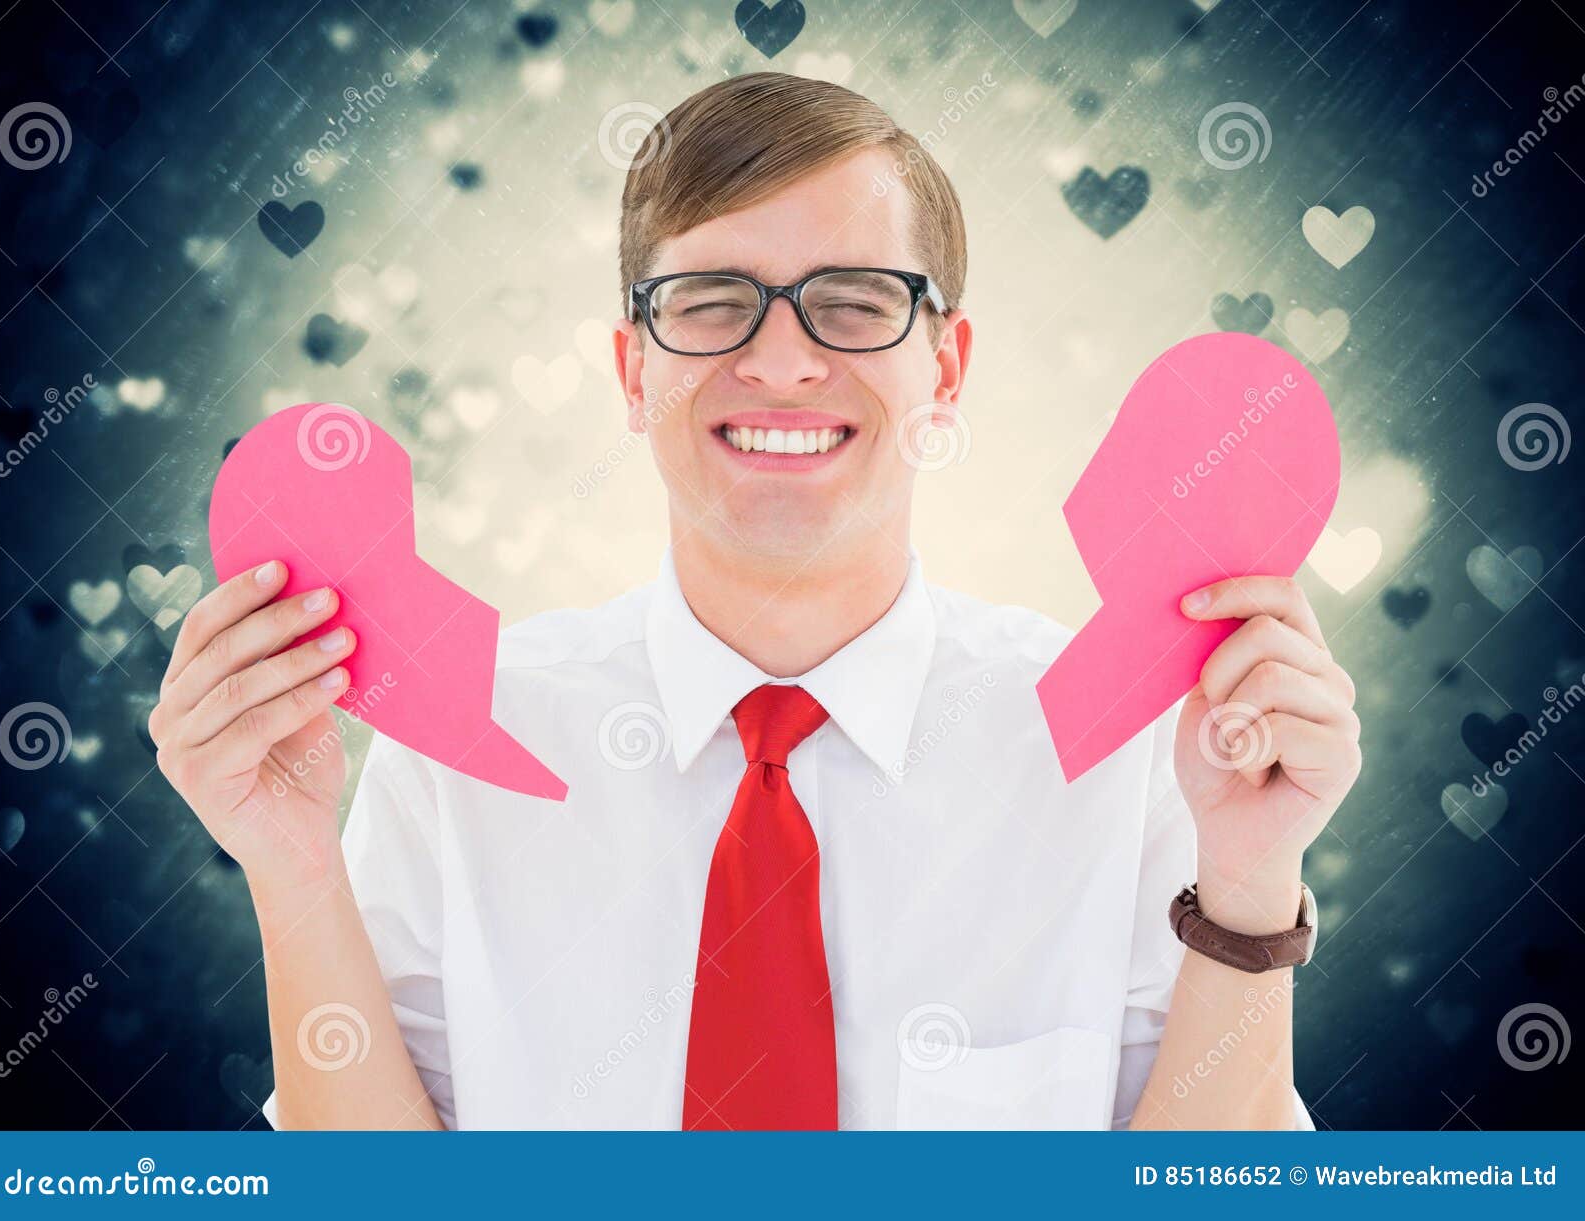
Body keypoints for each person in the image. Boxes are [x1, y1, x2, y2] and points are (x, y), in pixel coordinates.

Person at [150, 72, 1360, 1130]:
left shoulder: (1134, 756)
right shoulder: (464, 750)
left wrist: (1251, 879)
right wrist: (290, 861)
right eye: (711, 300)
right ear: (635, 369)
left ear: (944, 367)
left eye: (854, 299)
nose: (781, 360)